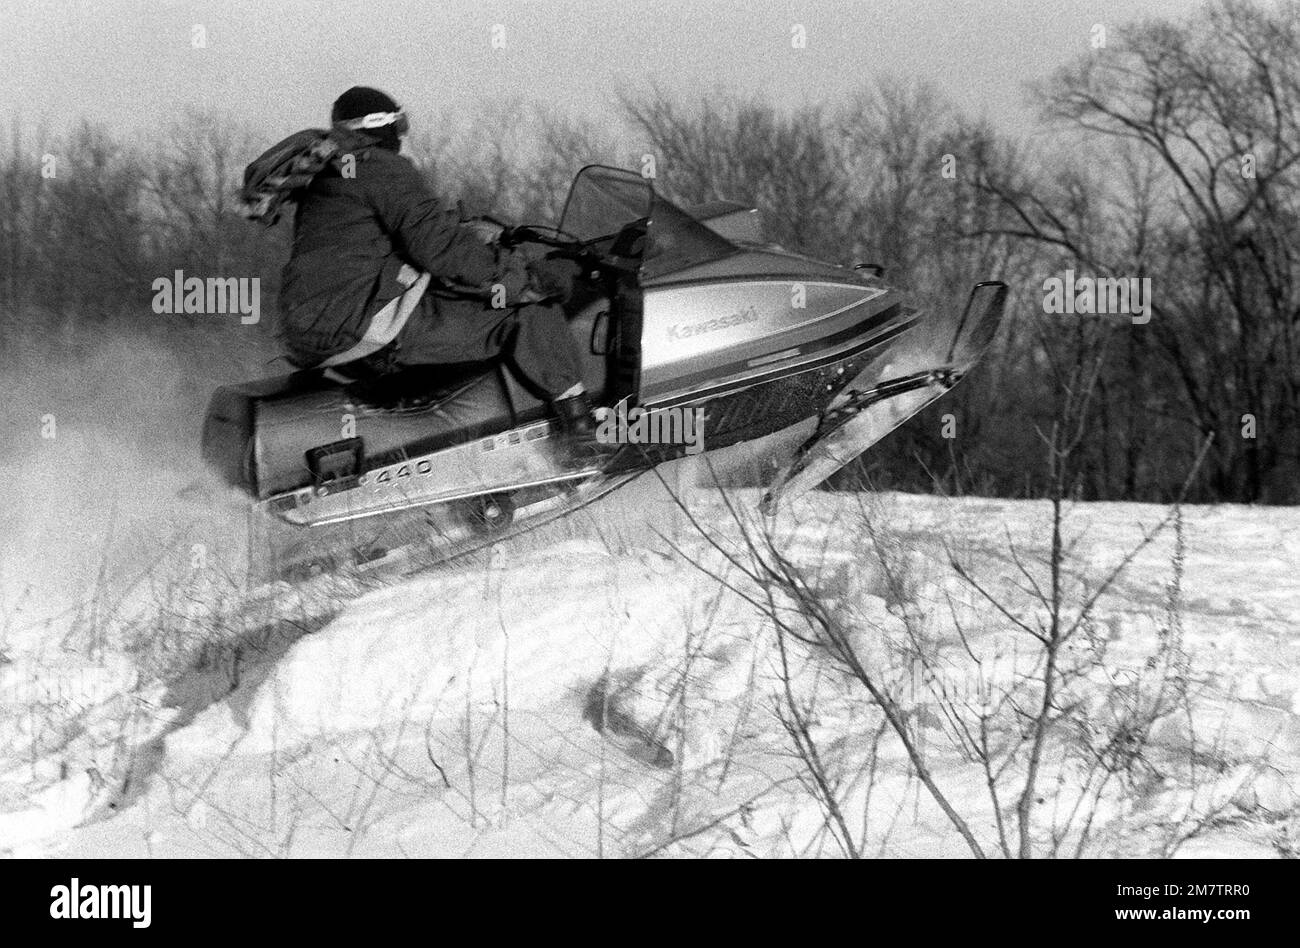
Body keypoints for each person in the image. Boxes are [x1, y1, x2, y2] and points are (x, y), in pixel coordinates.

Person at [275, 86, 598, 442]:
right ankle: (581, 436)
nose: (400, 136)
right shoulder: (379, 167)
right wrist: (525, 281)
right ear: (381, 126)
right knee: (526, 312)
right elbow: (440, 249)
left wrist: (461, 230)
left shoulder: (331, 175)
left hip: (314, 326)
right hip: (358, 321)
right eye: (399, 124)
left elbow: (377, 240)